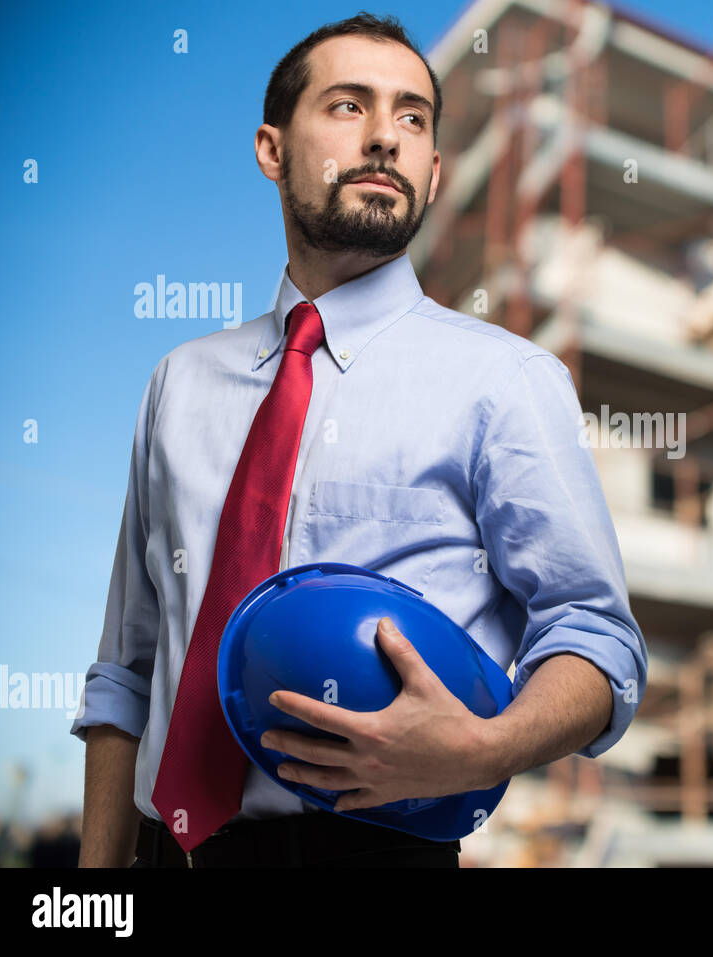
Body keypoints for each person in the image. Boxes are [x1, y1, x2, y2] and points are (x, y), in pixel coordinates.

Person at [73, 12, 648, 869]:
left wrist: (485, 746)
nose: (386, 137)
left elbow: (596, 635)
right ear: (272, 149)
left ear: (436, 168)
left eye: (413, 118)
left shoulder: (505, 379)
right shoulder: (178, 381)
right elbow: (127, 666)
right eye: (349, 107)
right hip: (165, 851)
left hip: (373, 851)